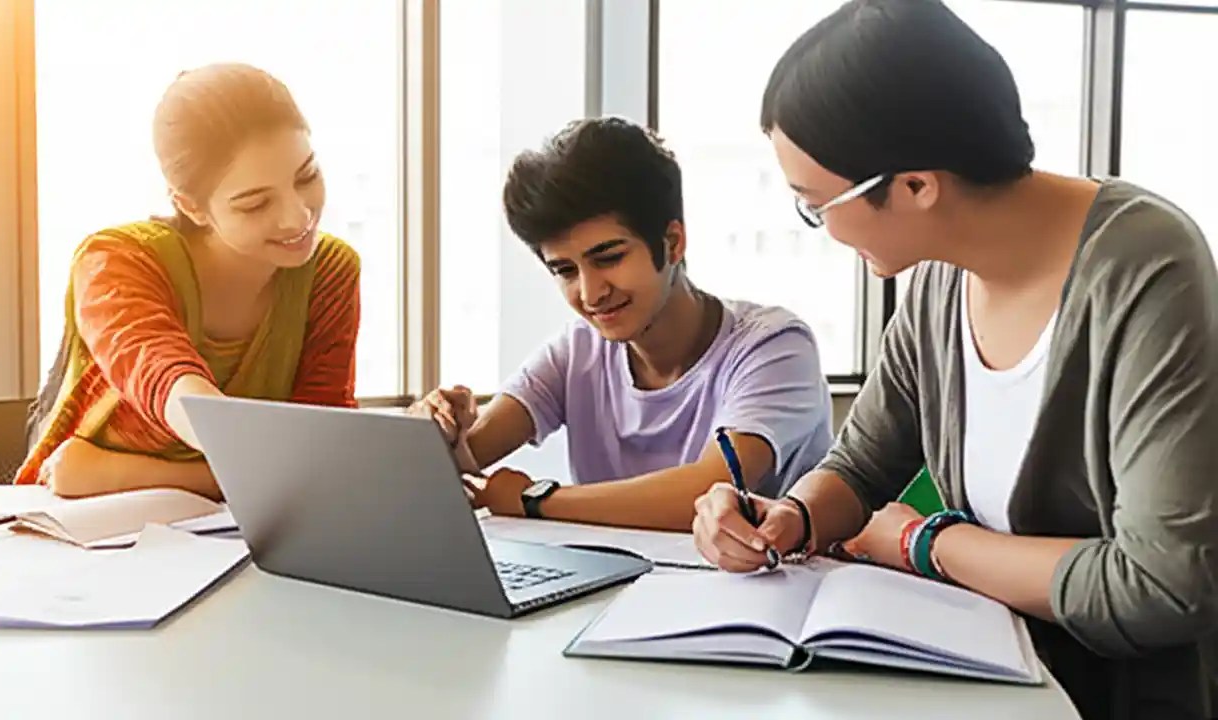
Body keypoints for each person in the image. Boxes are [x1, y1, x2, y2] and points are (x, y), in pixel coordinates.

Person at [691, 2, 1218, 718]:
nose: (819, 229)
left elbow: (1164, 587)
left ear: (915, 185)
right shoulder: (941, 277)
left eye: (815, 206)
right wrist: (791, 517)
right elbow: (862, 466)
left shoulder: (1147, 269)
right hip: (979, 677)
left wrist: (921, 541)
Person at [413, 117, 832, 532]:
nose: (591, 293)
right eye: (565, 270)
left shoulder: (775, 346)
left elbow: (712, 491)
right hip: (618, 589)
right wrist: (439, 431)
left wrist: (536, 499)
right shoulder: (577, 351)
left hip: (761, 590)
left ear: (672, 243)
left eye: (608, 258)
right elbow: (467, 456)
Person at [16, 63, 361, 500]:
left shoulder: (330, 271)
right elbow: (172, 388)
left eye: (307, 177)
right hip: (81, 531)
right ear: (192, 207)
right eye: (255, 204)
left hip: (244, 529)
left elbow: (319, 448)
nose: (299, 216)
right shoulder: (115, 262)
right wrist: (276, 474)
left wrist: (118, 473)